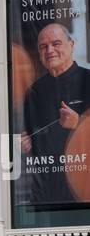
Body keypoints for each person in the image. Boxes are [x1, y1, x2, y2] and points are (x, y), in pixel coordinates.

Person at [20, 24, 90, 206]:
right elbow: (31, 137)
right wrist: (25, 143)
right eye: (43, 47)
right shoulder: (34, 92)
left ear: (71, 44)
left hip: (83, 191)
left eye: (56, 43)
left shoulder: (88, 80)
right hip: (46, 196)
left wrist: (79, 124)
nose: (50, 50)